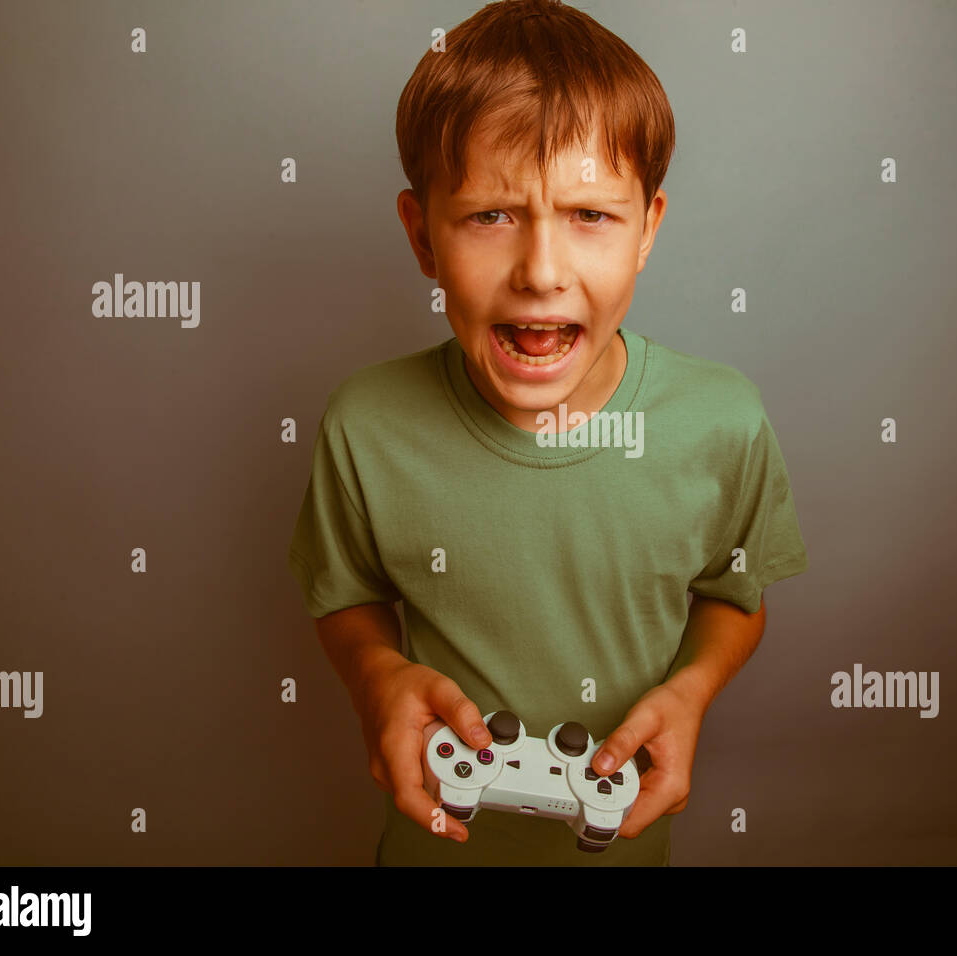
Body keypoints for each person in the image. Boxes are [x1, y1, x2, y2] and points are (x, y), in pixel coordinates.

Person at [287, 0, 808, 865]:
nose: (540, 272)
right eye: (490, 216)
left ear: (649, 229)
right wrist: (376, 676)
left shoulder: (724, 423)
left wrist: (694, 691)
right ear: (422, 236)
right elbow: (345, 593)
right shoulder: (365, 425)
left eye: (591, 216)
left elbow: (734, 593)